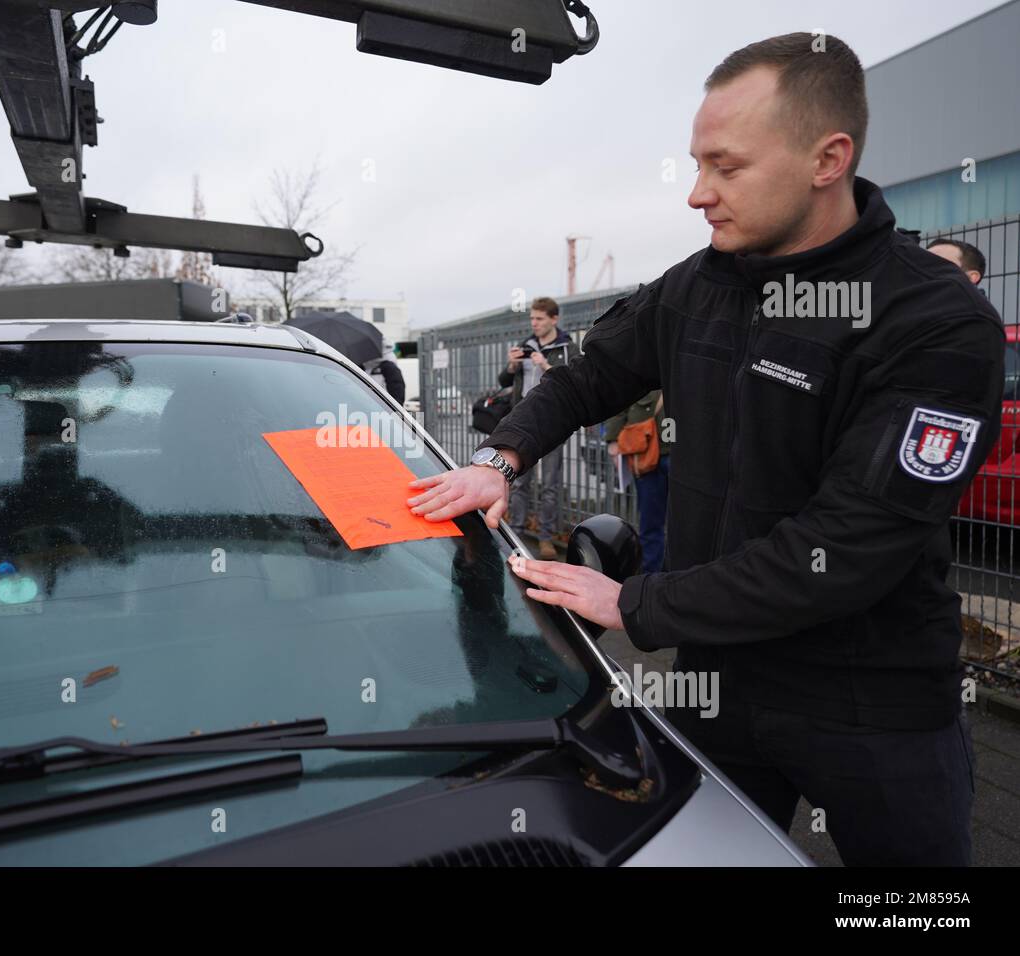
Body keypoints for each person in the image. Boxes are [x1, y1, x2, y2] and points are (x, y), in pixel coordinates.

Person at [406, 32, 1003, 866]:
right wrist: (498, 461)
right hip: (717, 682)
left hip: (874, 704)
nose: (697, 194)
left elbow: (847, 546)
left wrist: (634, 606)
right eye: (696, 164)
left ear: (828, 158)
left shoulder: (930, 319)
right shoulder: (701, 284)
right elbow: (585, 379)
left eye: (726, 167)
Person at [498, 296, 580, 558]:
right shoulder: (525, 345)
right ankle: (517, 534)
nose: (534, 323)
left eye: (540, 319)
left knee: (550, 484)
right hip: (524, 422)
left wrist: (546, 366)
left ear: (554, 319)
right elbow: (503, 380)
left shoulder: (567, 348)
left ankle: (546, 538)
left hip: (553, 422)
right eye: (532, 318)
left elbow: (576, 381)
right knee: (520, 482)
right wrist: (512, 365)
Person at [604, 391, 670, 572]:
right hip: (645, 453)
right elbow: (621, 399)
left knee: (685, 524)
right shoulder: (644, 369)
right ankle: (651, 577)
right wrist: (612, 439)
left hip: (681, 455)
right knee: (650, 524)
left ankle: (679, 579)